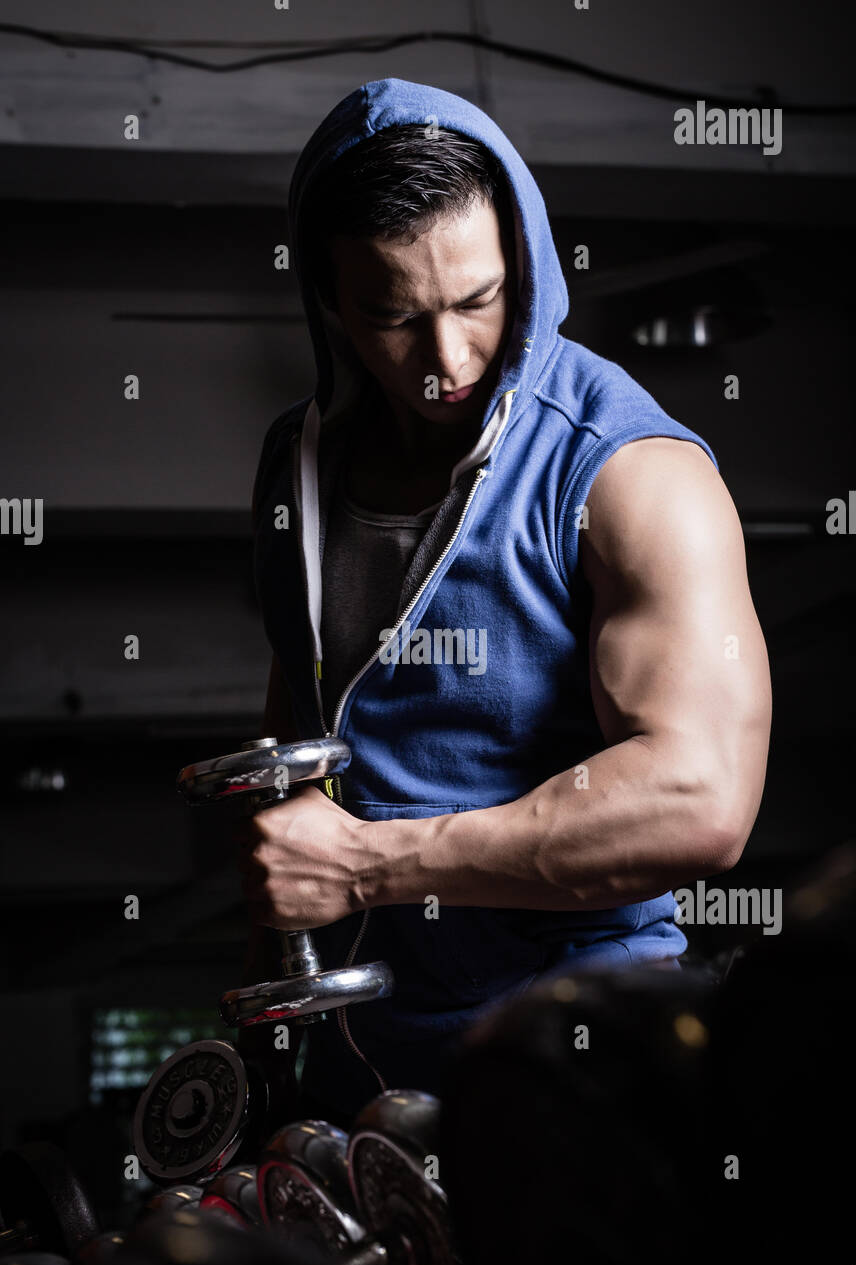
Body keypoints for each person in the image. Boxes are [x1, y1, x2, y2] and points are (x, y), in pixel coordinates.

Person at [236, 78, 771, 1128]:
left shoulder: (627, 470)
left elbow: (697, 800)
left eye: (476, 302)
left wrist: (364, 865)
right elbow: (293, 733)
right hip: (357, 1064)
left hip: (577, 1056)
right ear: (330, 301)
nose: (444, 362)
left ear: (522, 265)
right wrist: (267, 1010)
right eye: (393, 315)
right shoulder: (292, 468)